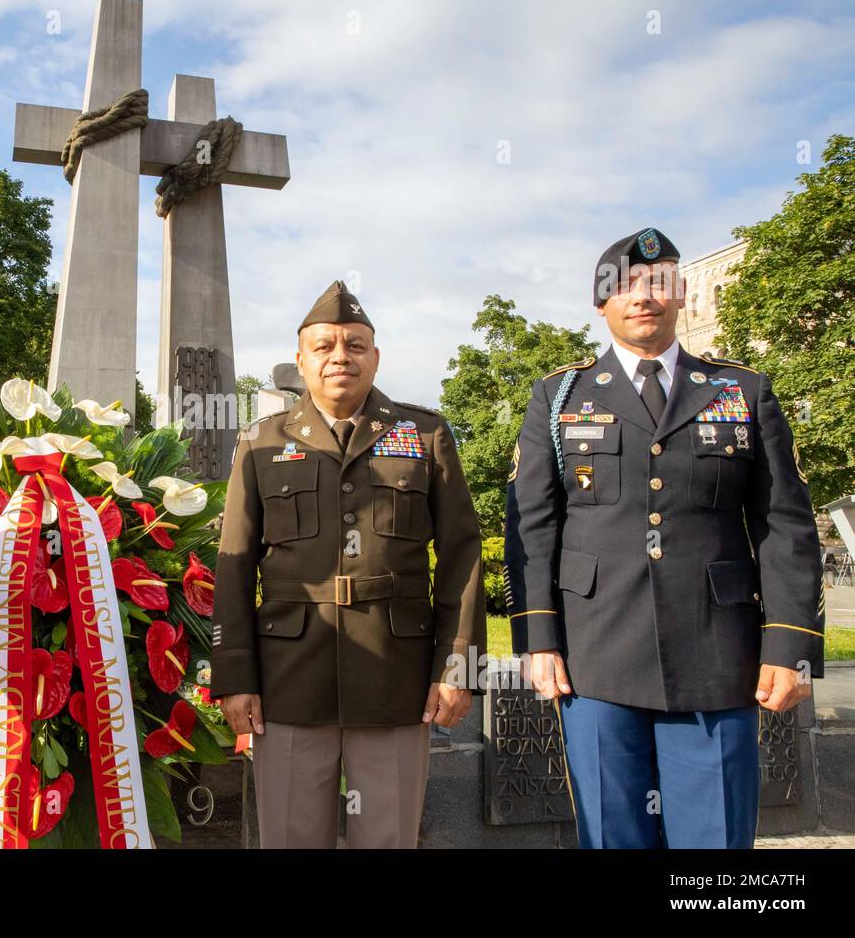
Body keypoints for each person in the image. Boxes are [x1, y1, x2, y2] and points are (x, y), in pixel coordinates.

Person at [504, 227, 825, 848]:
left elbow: (784, 522)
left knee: (715, 841)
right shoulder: (558, 396)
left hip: (717, 652)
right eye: (624, 285)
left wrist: (789, 645)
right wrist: (538, 637)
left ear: (682, 296)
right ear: (600, 304)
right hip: (595, 654)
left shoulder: (741, 391)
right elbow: (533, 524)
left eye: (659, 283)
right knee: (614, 832)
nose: (643, 295)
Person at [209, 279, 485, 848]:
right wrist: (234, 675)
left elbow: (461, 556)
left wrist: (460, 668)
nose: (341, 357)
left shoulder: (425, 434)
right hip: (289, 677)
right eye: (326, 346)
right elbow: (233, 566)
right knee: (290, 838)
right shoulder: (261, 442)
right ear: (301, 359)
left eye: (356, 345)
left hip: (396, 675)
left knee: (387, 838)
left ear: (376, 357)